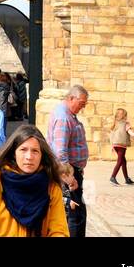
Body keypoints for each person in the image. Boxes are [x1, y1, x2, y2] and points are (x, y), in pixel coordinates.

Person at [0, 125, 69, 237]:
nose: (29, 156)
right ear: (14, 152)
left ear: (42, 155)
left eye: (35, 151)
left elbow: (59, 231)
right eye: (23, 150)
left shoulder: (51, 188)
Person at [47, 85, 90, 237]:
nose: (83, 107)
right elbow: (60, 151)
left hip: (73, 171)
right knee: (75, 215)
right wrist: (69, 178)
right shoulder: (64, 117)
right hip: (68, 173)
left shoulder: (68, 114)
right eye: (82, 103)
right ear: (71, 98)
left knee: (76, 213)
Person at [108, 107, 134, 185]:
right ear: (124, 116)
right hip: (122, 145)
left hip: (116, 145)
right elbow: (131, 133)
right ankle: (112, 177)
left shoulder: (115, 123)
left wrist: (112, 146)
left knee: (123, 161)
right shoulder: (126, 124)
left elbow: (111, 135)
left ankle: (127, 179)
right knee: (120, 161)